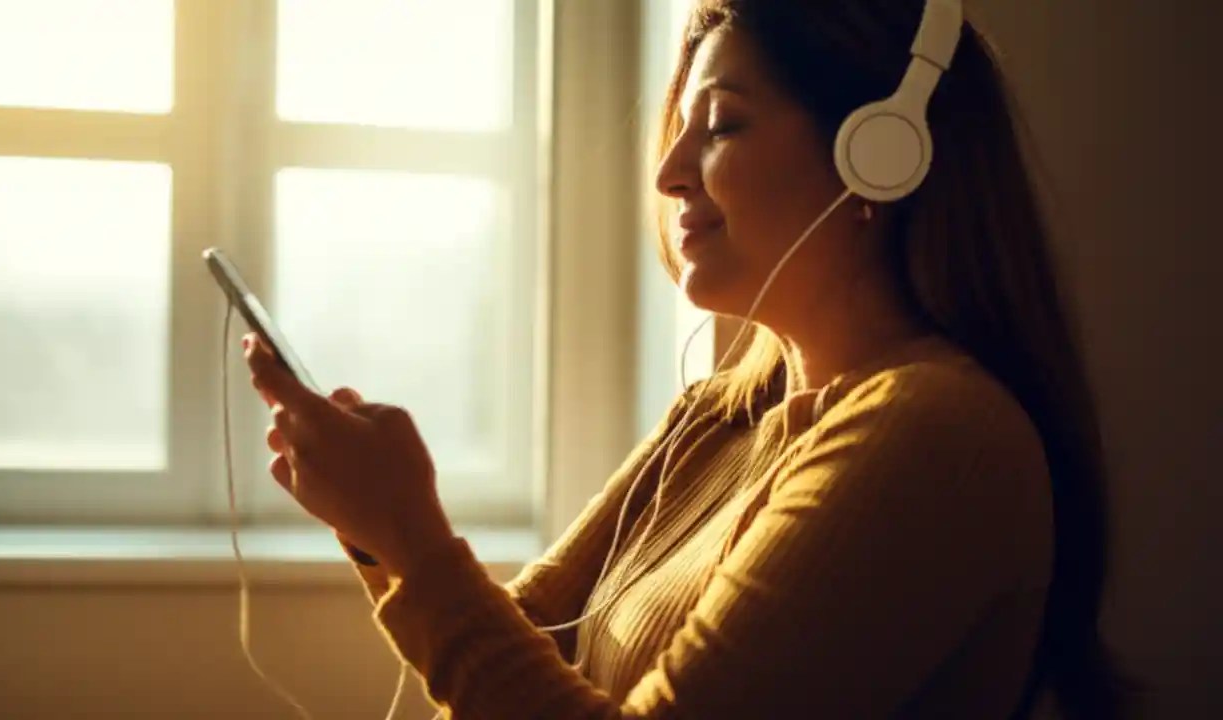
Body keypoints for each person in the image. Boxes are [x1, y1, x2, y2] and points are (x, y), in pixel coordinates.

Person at [244, 0, 1134, 716]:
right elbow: (521, 650)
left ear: (880, 158)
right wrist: (377, 526)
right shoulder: (722, 410)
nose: (670, 171)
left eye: (723, 126)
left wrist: (413, 538)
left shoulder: (935, 435)